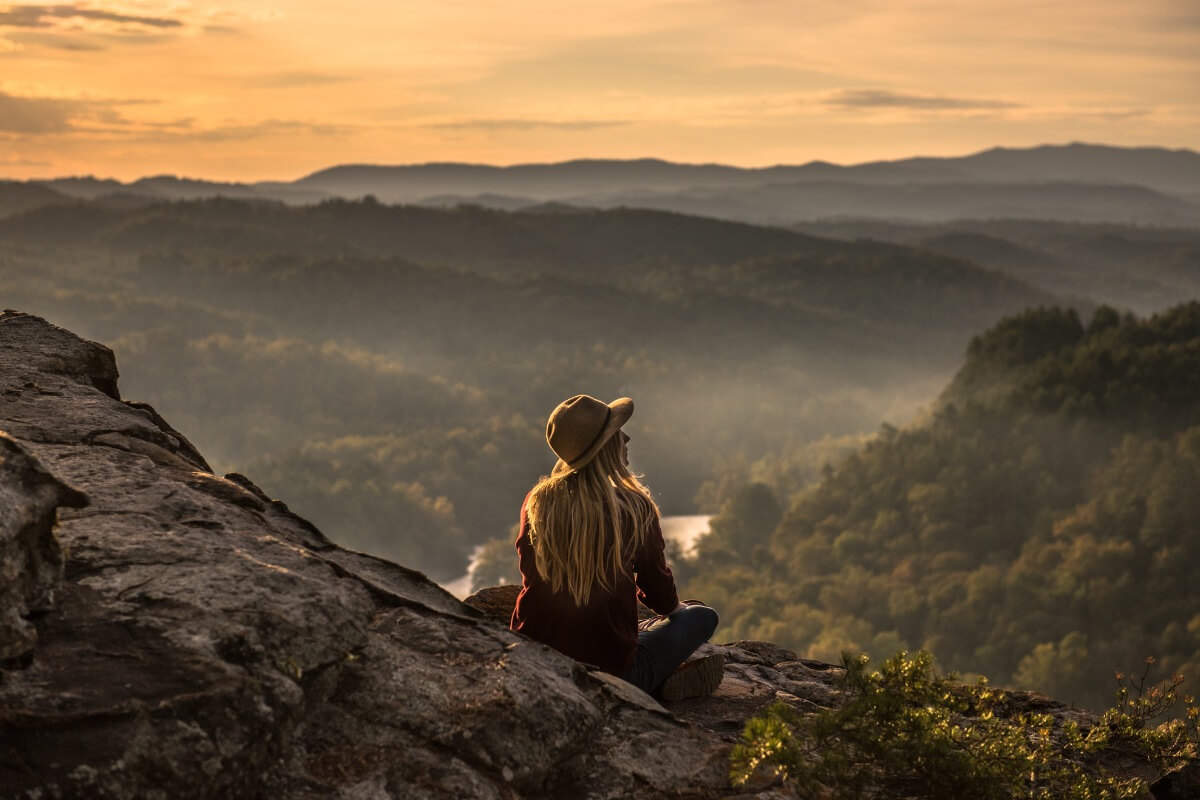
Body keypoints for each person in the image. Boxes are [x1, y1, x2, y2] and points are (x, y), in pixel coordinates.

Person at [510, 394, 724, 701]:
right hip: (610, 674)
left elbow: (530, 573)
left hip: (535, 658)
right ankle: (659, 684)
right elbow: (658, 591)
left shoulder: (538, 503)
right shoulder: (633, 508)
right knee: (701, 616)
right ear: (605, 448)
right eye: (616, 432)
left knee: (657, 622)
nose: (626, 437)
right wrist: (677, 611)